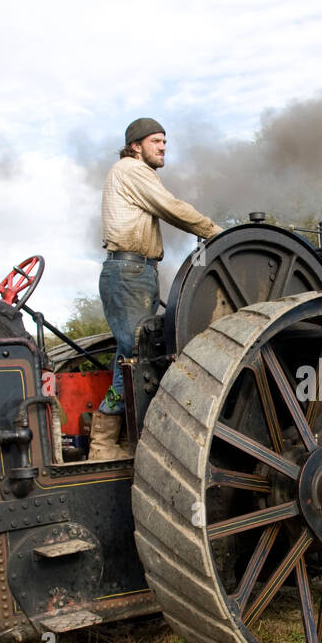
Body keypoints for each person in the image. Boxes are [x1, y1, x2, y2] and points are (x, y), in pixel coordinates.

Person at [91, 118, 224, 460]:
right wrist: (217, 233)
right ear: (135, 146)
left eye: (165, 141)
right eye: (155, 141)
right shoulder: (131, 170)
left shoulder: (135, 173)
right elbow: (173, 208)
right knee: (137, 356)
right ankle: (103, 442)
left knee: (132, 355)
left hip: (139, 271)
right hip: (129, 271)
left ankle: (117, 441)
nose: (163, 146)